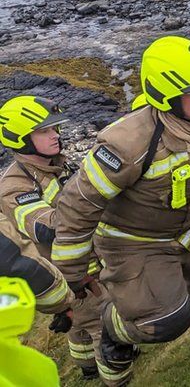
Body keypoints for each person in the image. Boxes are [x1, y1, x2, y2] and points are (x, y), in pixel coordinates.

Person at [52, 36, 190, 384]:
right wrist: (73, 272)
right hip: (134, 242)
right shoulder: (127, 143)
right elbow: (77, 206)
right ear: (167, 97)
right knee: (165, 321)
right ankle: (114, 332)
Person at [0, 95, 128, 385]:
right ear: (20, 138)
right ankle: (117, 377)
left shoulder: (55, 165)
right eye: (44, 131)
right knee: (103, 325)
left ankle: (87, 367)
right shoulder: (14, 186)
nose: (55, 135)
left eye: (54, 128)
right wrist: (94, 198)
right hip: (70, 273)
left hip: (82, 264)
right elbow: (46, 228)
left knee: (79, 326)